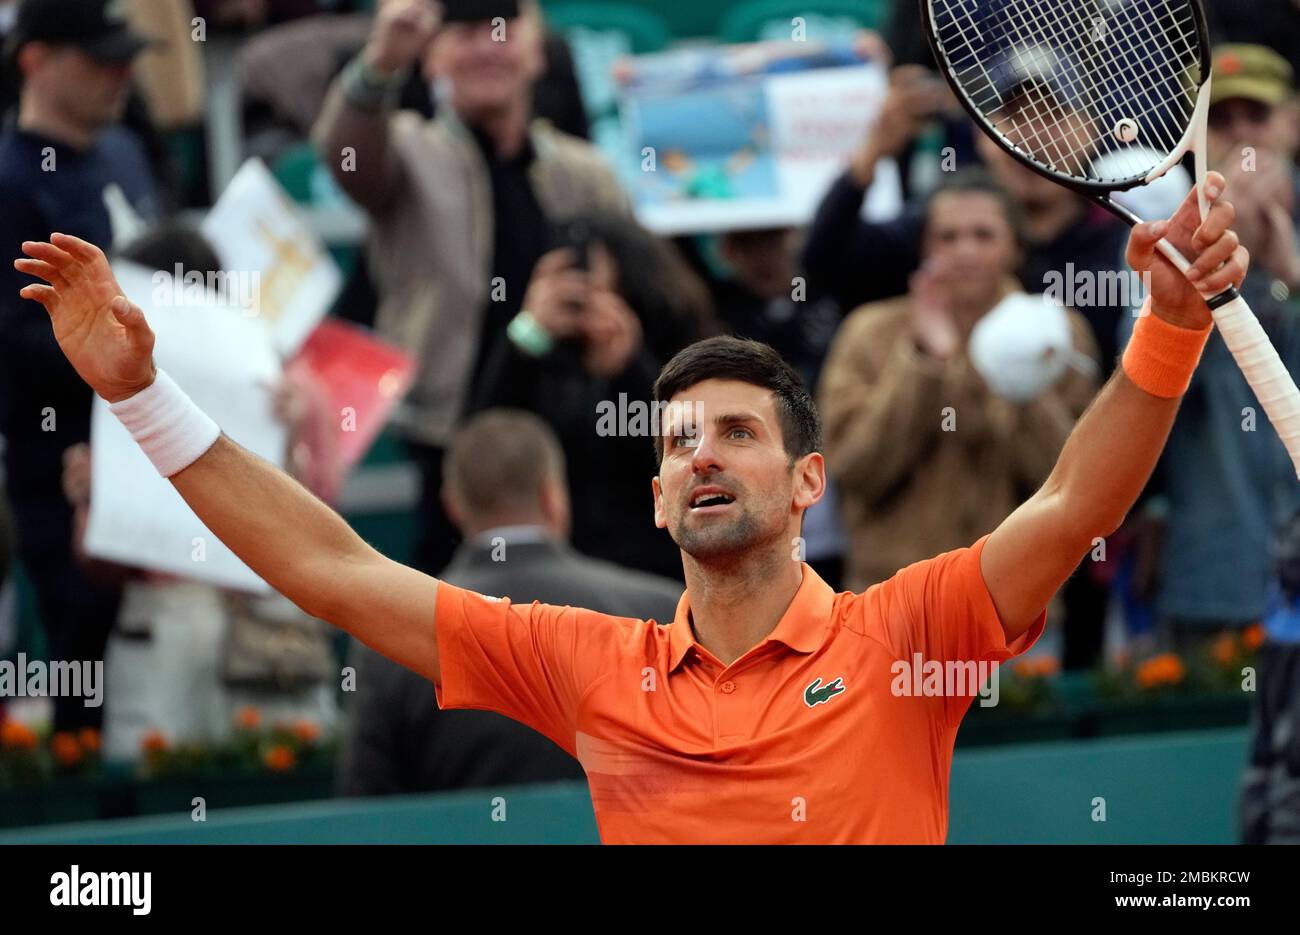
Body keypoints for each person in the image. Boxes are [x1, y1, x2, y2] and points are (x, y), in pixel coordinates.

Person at [15, 165, 1252, 841]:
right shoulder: (587, 663)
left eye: (737, 433)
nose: (703, 455)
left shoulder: (904, 634)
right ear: (655, 499)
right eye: (678, 443)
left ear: (806, 481)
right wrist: (143, 397)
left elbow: (1071, 500)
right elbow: (332, 569)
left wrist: (1169, 323)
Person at [311, 0, 628, 577]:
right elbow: (346, 158)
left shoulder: (585, 172)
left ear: (538, 51)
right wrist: (381, 62)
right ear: (431, 57)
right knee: (457, 607)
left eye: (502, 28)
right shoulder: (408, 152)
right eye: (464, 31)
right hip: (450, 430)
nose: (486, 45)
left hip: (577, 438)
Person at [339, 409, 682, 796]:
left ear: (452, 504)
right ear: (551, 496)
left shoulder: (393, 634)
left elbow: (367, 800)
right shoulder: (661, 612)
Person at [0, 0, 161, 732]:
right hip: (60, 469)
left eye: (125, 58)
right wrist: (117, 352)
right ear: (34, 60)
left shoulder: (126, 150)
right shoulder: (10, 181)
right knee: (84, 679)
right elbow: (12, 336)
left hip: (156, 446)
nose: (121, 73)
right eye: (100, 59)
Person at [819, 170, 1099, 590]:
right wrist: (925, 363)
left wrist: (1019, 373)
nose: (965, 250)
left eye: (984, 235)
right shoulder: (870, 332)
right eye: (947, 237)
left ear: (1015, 248)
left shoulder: (1058, 332)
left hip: (1015, 592)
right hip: (891, 591)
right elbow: (856, 470)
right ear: (924, 248)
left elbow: (1074, 485)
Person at [1129, 44, 1300, 656]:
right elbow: (1145, 392)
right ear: (1195, 141)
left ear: (1291, 121)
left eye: (1258, 115)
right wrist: (1211, 275)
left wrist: (1292, 278)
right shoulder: (1169, 242)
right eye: (1222, 121)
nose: (1243, 135)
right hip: (1215, 584)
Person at [467, 212, 715, 580]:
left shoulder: (682, 349)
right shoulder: (538, 357)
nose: (587, 308)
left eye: (599, 292)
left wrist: (630, 371)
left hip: (659, 571)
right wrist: (526, 339)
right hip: (558, 574)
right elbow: (485, 448)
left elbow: (687, 454)